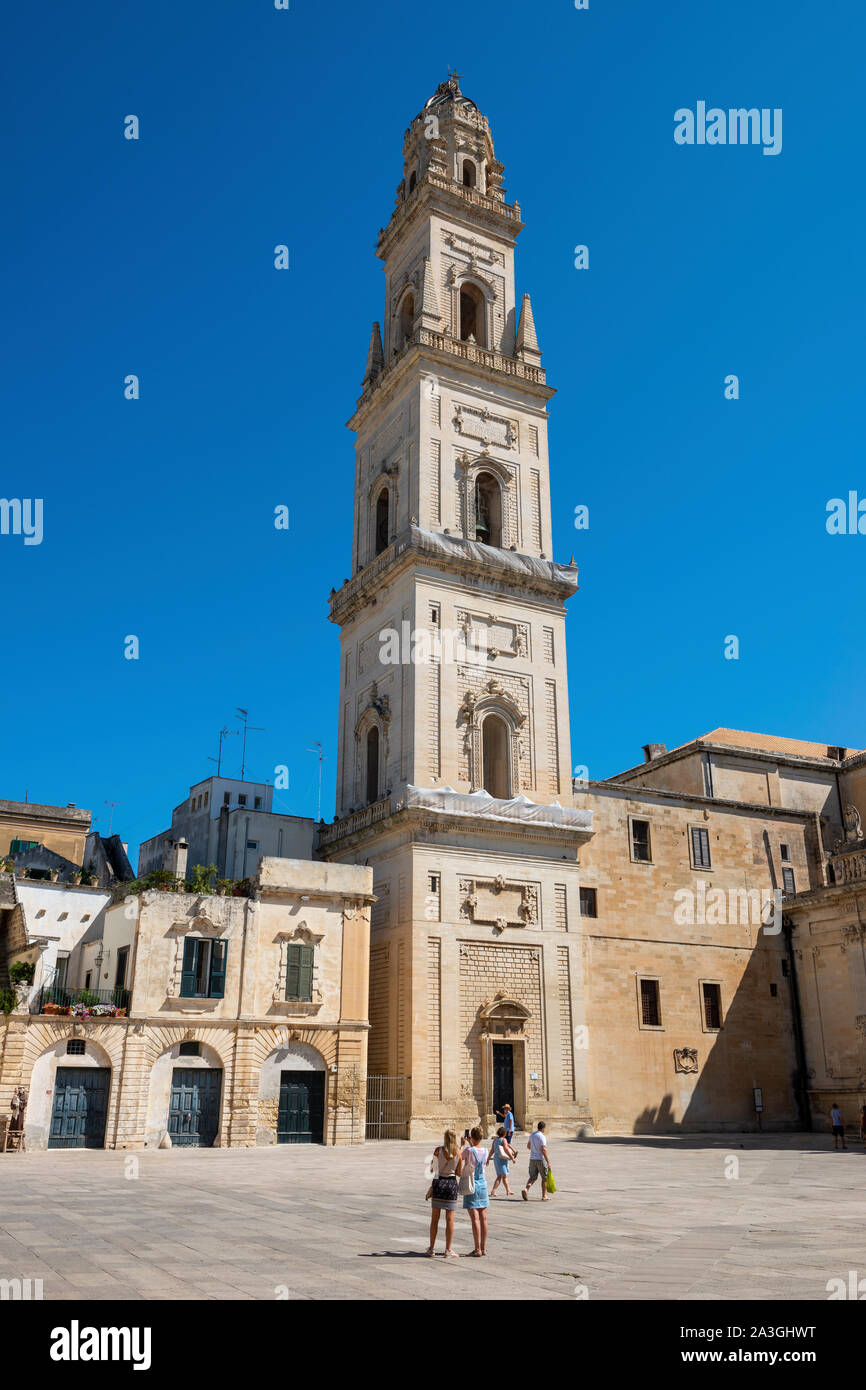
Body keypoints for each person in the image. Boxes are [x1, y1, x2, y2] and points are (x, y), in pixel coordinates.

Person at [426, 1129, 463, 1259]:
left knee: (434, 1219)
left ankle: (431, 1248)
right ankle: (448, 1250)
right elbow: (459, 1173)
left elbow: (432, 1169)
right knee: (450, 1220)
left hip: (439, 1184)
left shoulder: (437, 1150)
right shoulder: (458, 1153)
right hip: (451, 1185)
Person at [461, 1125, 490, 1256]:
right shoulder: (485, 1150)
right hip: (483, 1184)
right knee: (483, 1217)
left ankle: (477, 1248)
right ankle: (483, 1248)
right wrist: (471, 1142)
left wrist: (463, 1144)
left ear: (471, 1137)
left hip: (471, 1184)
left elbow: (459, 1157)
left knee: (475, 1219)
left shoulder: (468, 1150)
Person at [522, 1120, 551, 1201]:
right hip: (540, 1159)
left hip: (532, 1159)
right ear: (543, 1128)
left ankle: (526, 1189)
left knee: (532, 1177)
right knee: (544, 1178)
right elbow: (543, 1149)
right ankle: (544, 1195)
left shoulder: (532, 1135)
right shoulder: (542, 1136)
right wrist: (548, 1161)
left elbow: (528, 1146)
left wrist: (534, 1149)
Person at [487, 1126, 516, 1198]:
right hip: (502, 1159)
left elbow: (492, 1150)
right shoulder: (504, 1140)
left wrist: (488, 1158)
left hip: (497, 1159)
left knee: (504, 1176)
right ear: (504, 1133)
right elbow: (506, 1149)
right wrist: (512, 1157)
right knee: (500, 1176)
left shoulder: (495, 1140)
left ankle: (508, 1190)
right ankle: (493, 1191)